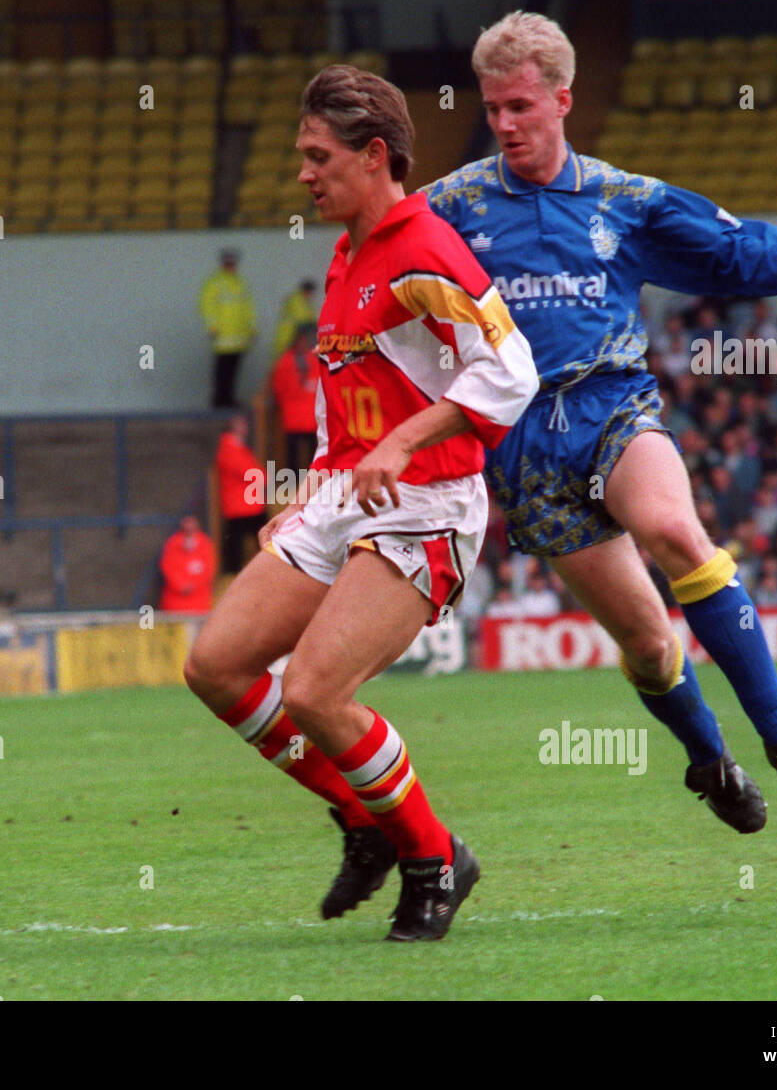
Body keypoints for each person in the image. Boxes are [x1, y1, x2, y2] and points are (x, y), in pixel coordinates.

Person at [423, 10, 777, 833]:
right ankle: (708, 758)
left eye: (519, 106)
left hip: (613, 405)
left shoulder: (623, 198)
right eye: (492, 107)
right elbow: (385, 276)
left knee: (677, 536)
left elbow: (734, 247)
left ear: (562, 100)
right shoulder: (452, 206)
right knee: (650, 647)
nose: (503, 123)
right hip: (520, 443)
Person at [183, 65, 538, 940]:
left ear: (374, 155)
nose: (303, 173)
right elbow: (349, 403)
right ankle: (363, 820)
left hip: (428, 503)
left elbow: (513, 369)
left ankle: (433, 858)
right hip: (350, 493)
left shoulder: (425, 251)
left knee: (314, 691)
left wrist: (405, 441)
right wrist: (308, 493)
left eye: (317, 156)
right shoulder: (346, 253)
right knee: (216, 665)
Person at [200, 249, 256, 408]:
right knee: (222, 370)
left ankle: (229, 398)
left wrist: (252, 328)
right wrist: (212, 327)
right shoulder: (214, 283)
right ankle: (220, 399)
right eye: (229, 263)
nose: (231, 266)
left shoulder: (240, 283)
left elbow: (249, 308)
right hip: (223, 336)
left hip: (239, 337)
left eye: (233, 263)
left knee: (233, 370)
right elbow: (207, 306)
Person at [215, 414, 266, 574]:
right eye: (242, 424)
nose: (246, 427)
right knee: (244, 544)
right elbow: (249, 472)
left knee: (238, 544)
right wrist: (264, 477)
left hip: (246, 504)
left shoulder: (236, 448)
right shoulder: (230, 449)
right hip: (241, 505)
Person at [269, 322, 320, 474]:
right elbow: (279, 386)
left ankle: (309, 480)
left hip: (308, 416)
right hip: (296, 415)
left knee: (314, 452)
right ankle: (294, 482)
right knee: (293, 453)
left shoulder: (312, 359)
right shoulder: (286, 362)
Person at [159, 515, 217, 613]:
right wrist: (181, 586)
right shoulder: (173, 544)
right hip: (175, 603)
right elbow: (168, 568)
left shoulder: (205, 544)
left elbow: (209, 569)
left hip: (199, 603)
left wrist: (193, 585)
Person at [272, 279, 318, 360]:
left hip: (293, 337)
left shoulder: (305, 303)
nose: (311, 295)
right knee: (282, 364)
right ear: (307, 290)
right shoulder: (297, 301)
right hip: (288, 336)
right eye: (311, 292)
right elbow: (303, 319)